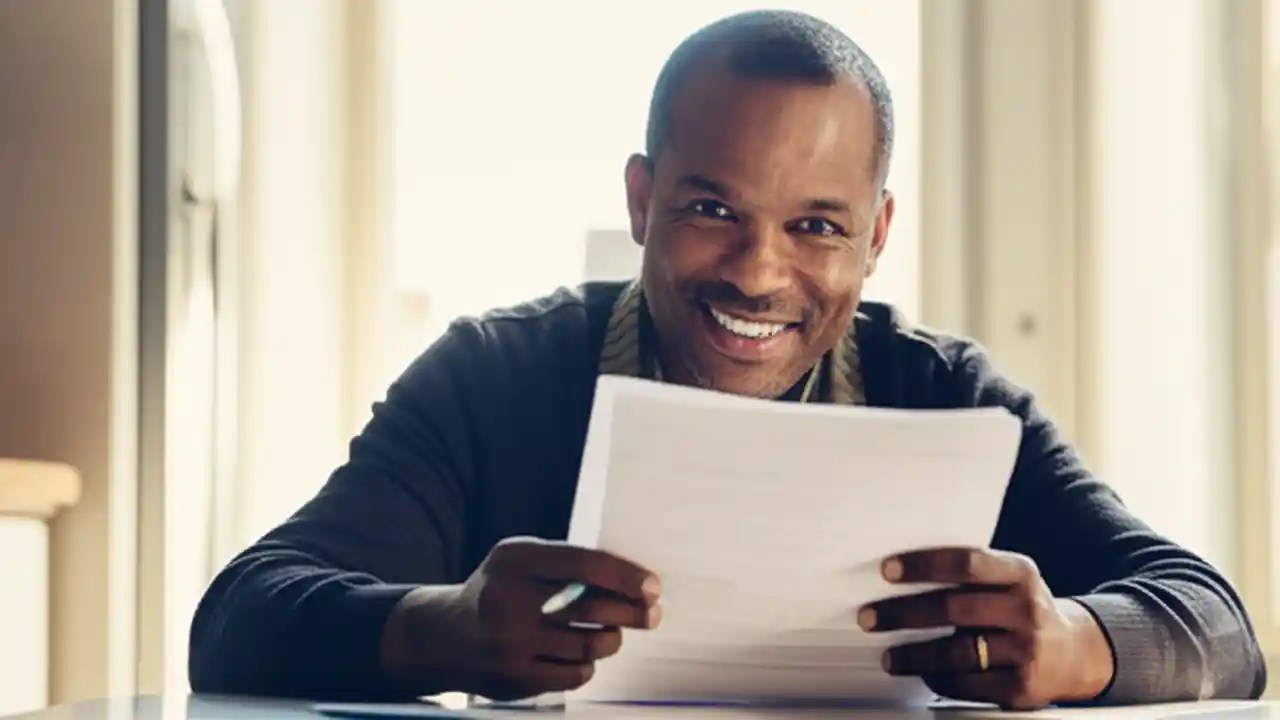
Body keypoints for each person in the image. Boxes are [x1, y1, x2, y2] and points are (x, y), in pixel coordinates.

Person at [189, 10, 1265, 710]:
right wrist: (446, 629)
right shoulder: (493, 378)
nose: (757, 274)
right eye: (711, 210)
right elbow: (239, 617)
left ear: (876, 237)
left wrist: (1073, 641)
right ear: (641, 200)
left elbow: (1218, 626)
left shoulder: (947, 396)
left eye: (817, 227)